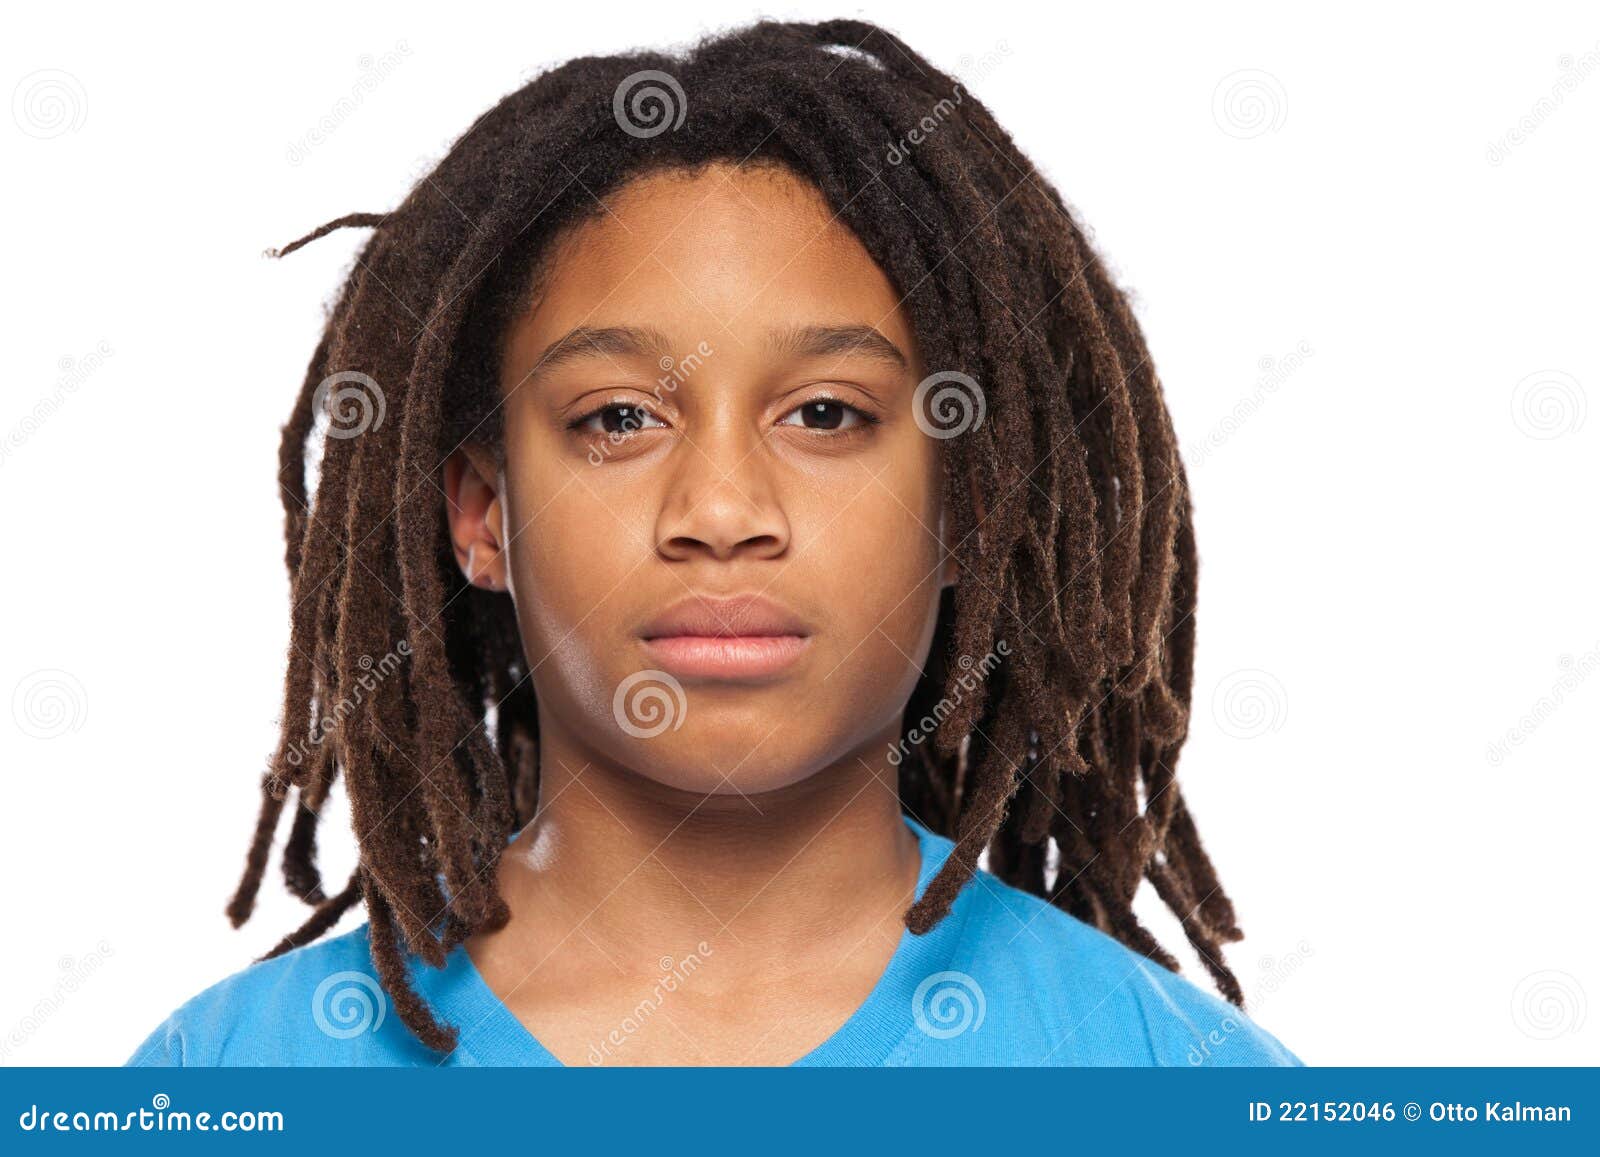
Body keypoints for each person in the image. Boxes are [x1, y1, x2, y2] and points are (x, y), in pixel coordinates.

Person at [129, 18, 1301, 1067]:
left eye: (827, 414)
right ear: (480, 515)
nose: (725, 511)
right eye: (619, 419)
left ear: (968, 508)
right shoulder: (237, 1074)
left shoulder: (1173, 1079)